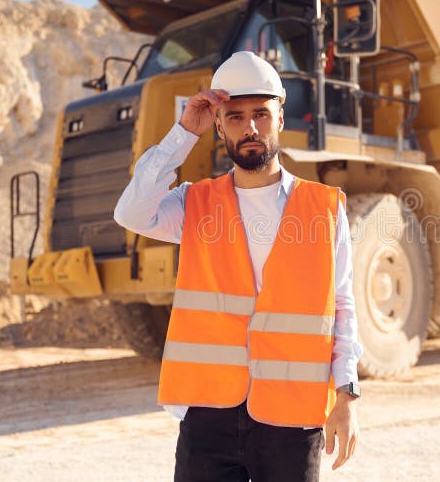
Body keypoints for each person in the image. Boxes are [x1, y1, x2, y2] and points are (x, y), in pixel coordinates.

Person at [113, 51, 363, 481]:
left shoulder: (324, 208)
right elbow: (131, 213)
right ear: (218, 126)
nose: (250, 128)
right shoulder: (194, 203)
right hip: (209, 415)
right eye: (235, 117)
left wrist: (346, 397)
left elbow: (342, 306)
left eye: (261, 114)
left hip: (291, 418)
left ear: (280, 118)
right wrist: (182, 133)